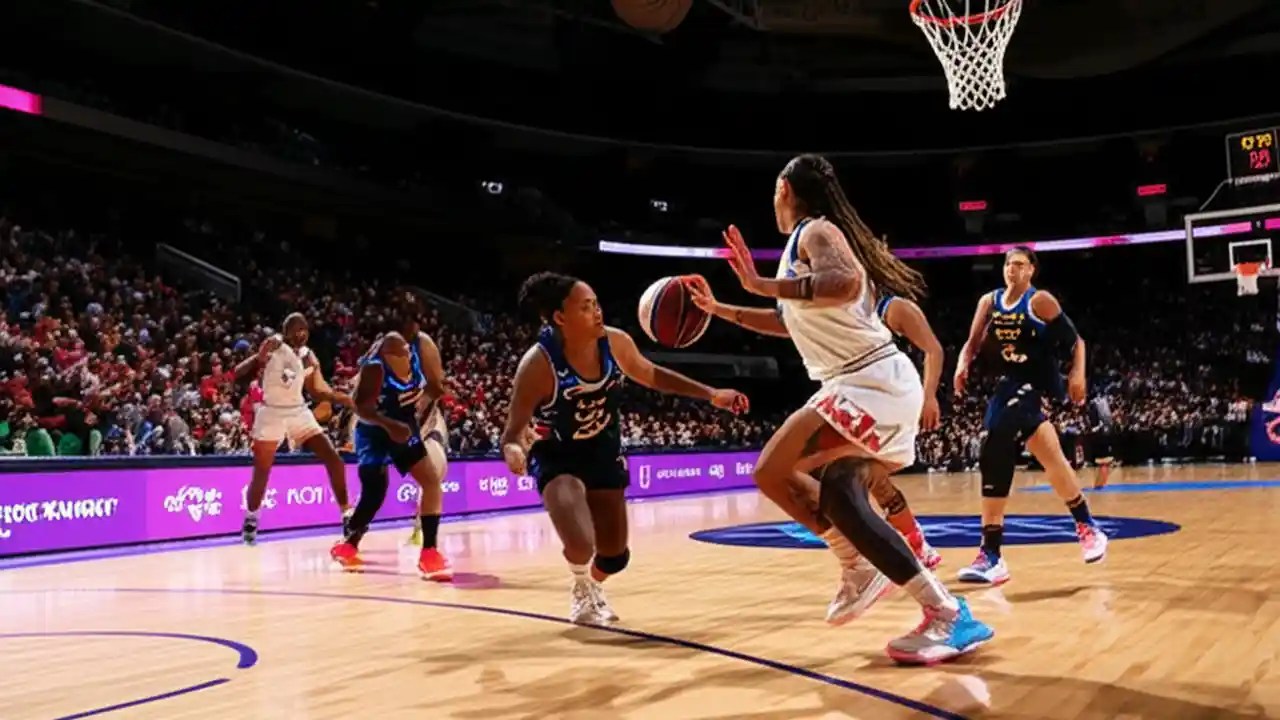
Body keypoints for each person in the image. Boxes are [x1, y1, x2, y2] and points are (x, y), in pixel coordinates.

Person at [688, 153, 992, 664]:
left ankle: (858, 566)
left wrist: (762, 284)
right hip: (867, 383)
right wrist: (723, 310)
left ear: (786, 188)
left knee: (772, 470)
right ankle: (945, 611)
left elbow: (845, 284)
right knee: (842, 500)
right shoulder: (804, 245)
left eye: (774, 189)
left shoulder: (814, 231)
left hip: (866, 380)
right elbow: (789, 322)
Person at [500, 271, 748, 626]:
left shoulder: (615, 343)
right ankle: (582, 587)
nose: (597, 312)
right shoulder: (538, 364)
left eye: (596, 304)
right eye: (586, 307)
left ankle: (594, 585)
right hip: (558, 455)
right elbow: (512, 430)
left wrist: (711, 395)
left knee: (615, 556)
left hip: (602, 449)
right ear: (559, 317)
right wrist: (513, 449)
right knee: (582, 544)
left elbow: (653, 374)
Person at [953, 246, 1108, 586]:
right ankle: (1087, 525)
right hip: (1009, 384)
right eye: (1009, 264)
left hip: (1039, 384)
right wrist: (962, 363)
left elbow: (1076, 341)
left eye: (1020, 264)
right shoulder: (988, 302)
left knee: (996, 435)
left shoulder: (1040, 302)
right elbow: (972, 343)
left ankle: (991, 554)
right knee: (1054, 463)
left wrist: (1078, 374)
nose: (1013, 269)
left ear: (1031, 271)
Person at [329, 324, 453, 582]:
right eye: (400, 353)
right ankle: (349, 542)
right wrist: (389, 425)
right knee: (375, 492)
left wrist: (426, 402)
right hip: (374, 431)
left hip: (404, 427)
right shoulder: (375, 369)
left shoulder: (417, 357)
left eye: (407, 351)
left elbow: (434, 385)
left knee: (430, 481)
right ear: (387, 356)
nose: (406, 355)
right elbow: (361, 408)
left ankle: (429, 552)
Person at [236, 313, 352, 546]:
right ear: (286, 330)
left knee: (333, 458)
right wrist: (259, 358)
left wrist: (347, 399)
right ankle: (251, 519)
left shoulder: (308, 357)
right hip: (271, 413)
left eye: (304, 329)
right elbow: (239, 373)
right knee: (262, 472)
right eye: (296, 329)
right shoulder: (274, 346)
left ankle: (347, 515)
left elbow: (319, 391)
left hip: (298, 411)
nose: (301, 333)